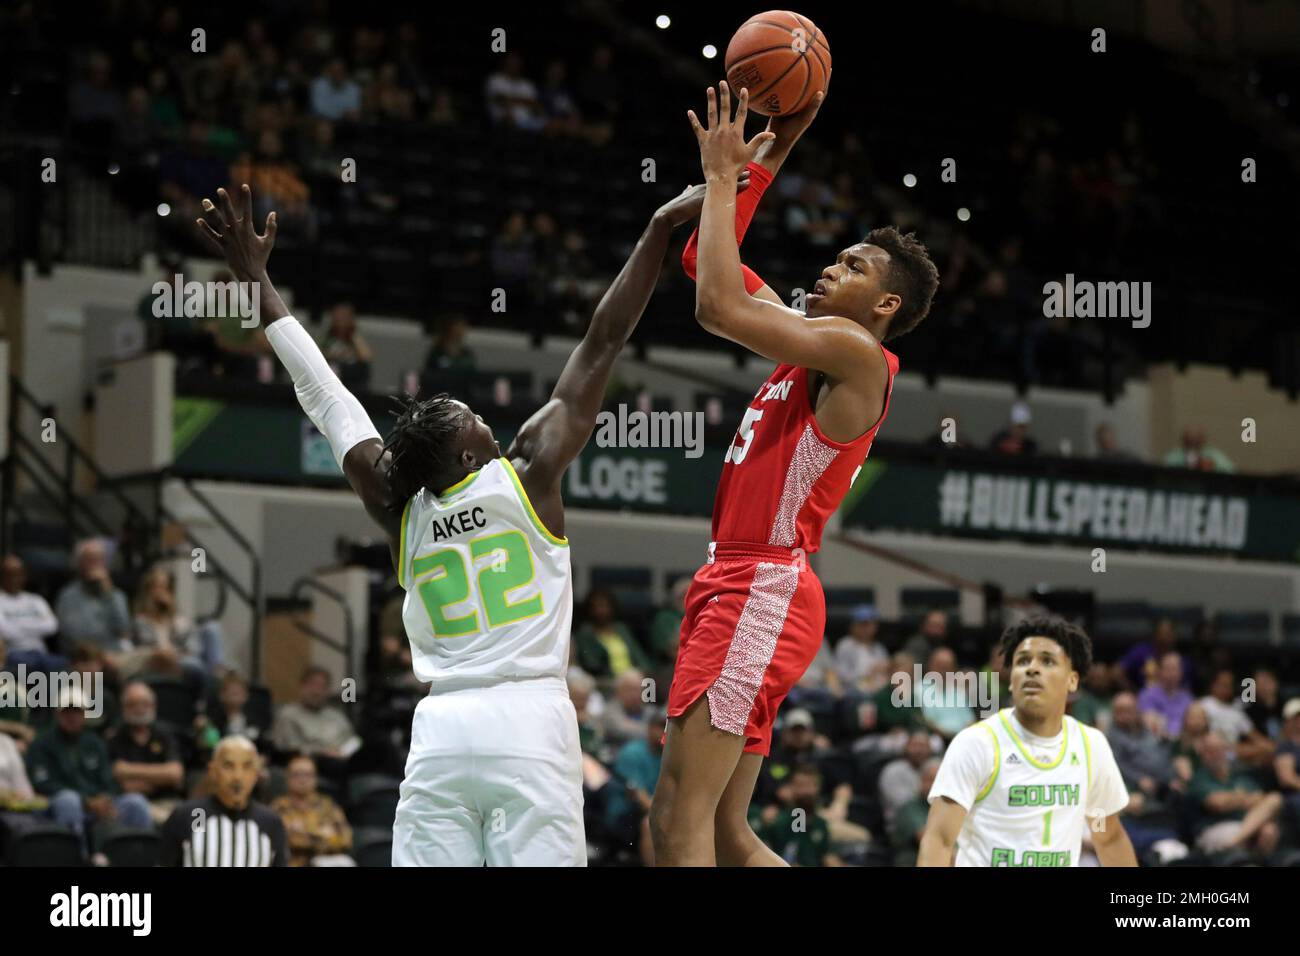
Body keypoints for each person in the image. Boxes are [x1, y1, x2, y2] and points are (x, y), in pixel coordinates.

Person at [194, 176, 723, 866]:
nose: (487, 420)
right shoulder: (528, 475)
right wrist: (658, 227)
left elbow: (324, 394)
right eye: (475, 418)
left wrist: (257, 280)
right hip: (529, 720)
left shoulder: (398, 506)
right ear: (471, 448)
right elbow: (603, 341)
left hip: (442, 728)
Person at [653, 83, 939, 867]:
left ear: (884, 302)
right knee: (721, 832)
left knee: (677, 818)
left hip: (762, 588)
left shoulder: (857, 356)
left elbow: (716, 304)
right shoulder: (800, 346)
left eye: (851, 265)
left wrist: (718, 177)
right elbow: (702, 261)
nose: (829, 264)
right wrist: (778, 144)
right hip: (740, 583)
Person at [919, 616, 1136, 866]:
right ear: (1011, 680)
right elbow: (939, 840)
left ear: (1072, 680)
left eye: (1047, 661)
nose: (1032, 668)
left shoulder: (1090, 746)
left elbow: (1107, 836)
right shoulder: (977, 743)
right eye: (1022, 661)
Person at [25, 686, 152, 853]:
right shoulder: (41, 744)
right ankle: (78, 858)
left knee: (136, 802)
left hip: (98, 803)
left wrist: (105, 799)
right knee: (68, 800)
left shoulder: (94, 742)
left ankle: (142, 857)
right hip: (58, 805)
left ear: (85, 714)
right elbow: (43, 783)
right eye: (67, 712)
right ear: (57, 714)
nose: (72, 717)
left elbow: (108, 779)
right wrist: (86, 801)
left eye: (77, 711)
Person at [160, 735, 287, 866]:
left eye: (247, 766)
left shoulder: (270, 821)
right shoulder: (190, 814)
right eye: (228, 766)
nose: (238, 777)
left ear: (256, 773)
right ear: (212, 771)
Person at [1187, 732, 1282, 858]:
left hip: (1245, 824)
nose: (1215, 754)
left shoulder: (1240, 775)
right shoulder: (1199, 778)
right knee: (1255, 827)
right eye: (1210, 751)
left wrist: (1233, 798)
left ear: (1227, 751)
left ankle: (1236, 843)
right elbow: (1217, 804)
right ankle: (1238, 847)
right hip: (1215, 827)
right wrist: (1244, 797)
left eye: (1219, 749)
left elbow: (1263, 799)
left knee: (1270, 824)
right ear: (1202, 754)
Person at [105, 681, 185, 825]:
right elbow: (116, 774)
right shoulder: (115, 737)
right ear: (123, 708)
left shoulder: (165, 734)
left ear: (153, 706)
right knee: (137, 805)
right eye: (133, 704)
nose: (139, 709)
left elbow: (175, 774)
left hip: (168, 802)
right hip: (129, 804)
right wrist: (160, 777)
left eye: (144, 704)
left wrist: (129, 770)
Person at [603, 709, 666, 866]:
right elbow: (638, 795)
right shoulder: (632, 752)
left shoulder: (668, 755)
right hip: (627, 813)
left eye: (669, 727)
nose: (665, 731)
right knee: (649, 823)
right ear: (650, 727)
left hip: (657, 809)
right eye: (661, 726)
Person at [271, 753, 354, 866]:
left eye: (307, 775)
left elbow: (345, 839)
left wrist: (303, 833)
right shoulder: (278, 808)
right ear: (287, 778)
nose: (302, 780)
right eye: (297, 774)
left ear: (315, 778)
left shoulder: (328, 806)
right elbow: (285, 840)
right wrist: (322, 834)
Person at [53, 540, 131, 659]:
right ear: (79, 563)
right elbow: (73, 634)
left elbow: (124, 630)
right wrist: (102, 651)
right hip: (83, 656)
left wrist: (108, 594)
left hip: (115, 653)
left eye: (99, 559)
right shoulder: (68, 595)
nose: (95, 564)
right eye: (90, 559)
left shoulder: (115, 595)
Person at [0, 555, 64, 672]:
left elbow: (52, 627)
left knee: (63, 664)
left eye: (18, 574)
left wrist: (18, 625)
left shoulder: (36, 600)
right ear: (2, 576)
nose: (14, 579)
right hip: (13, 654)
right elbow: (7, 633)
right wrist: (36, 625)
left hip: (41, 654)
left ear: (24, 576)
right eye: (10, 574)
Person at [1137, 652, 1194, 738]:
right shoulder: (1147, 695)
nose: (1171, 673)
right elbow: (1149, 723)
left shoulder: (1187, 698)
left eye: (1174, 669)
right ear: (1159, 671)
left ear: (1181, 673)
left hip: (1181, 743)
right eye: (1167, 669)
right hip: (1156, 741)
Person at [833, 604, 887, 694]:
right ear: (853, 626)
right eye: (862, 624)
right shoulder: (845, 645)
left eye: (870, 624)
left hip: (877, 688)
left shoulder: (879, 648)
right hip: (853, 690)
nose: (866, 628)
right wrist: (869, 672)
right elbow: (841, 674)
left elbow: (886, 671)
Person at [1162, 426, 1234, 473]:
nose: (1193, 442)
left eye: (1197, 440)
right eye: (1189, 440)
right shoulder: (1175, 455)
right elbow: (1164, 471)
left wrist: (1213, 466)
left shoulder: (1214, 455)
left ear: (1202, 440)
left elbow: (1230, 470)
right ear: (1184, 440)